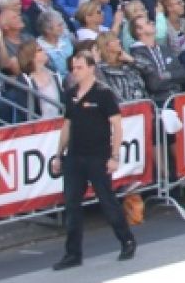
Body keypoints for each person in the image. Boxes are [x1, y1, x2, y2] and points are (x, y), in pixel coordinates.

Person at [48, 52, 135, 269]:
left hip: (98, 155)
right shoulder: (70, 94)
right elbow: (66, 125)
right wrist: (59, 155)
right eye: (73, 68)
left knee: (107, 201)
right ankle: (73, 253)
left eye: (79, 67)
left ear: (90, 68)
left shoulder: (104, 94)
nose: (75, 72)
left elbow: (116, 125)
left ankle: (127, 240)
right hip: (75, 156)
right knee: (71, 205)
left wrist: (114, 156)